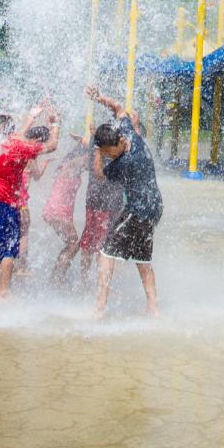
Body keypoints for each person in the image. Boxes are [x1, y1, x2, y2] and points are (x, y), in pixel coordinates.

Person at [87, 86, 163, 318]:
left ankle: (100, 308)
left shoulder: (125, 163)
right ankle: (153, 308)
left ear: (117, 144)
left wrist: (97, 150)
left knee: (106, 254)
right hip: (154, 208)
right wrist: (100, 98)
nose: (111, 156)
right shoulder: (129, 132)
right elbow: (119, 108)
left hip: (137, 212)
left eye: (110, 152)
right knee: (143, 258)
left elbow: (99, 174)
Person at [0, 111, 60, 299]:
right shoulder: (22, 148)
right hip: (7, 203)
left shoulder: (5, 142)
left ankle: (4, 289)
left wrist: (30, 117)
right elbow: (52, 145)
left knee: (3, 247)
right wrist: (56, 124)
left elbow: (21, 134)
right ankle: (4, 293)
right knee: (9, 249)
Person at [77, 127, 124, 283]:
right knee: (96, 244)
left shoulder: (103, 146)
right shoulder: (101, 149)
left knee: (101, 243)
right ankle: (89, 281)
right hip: (99, 204)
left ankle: (95, 282)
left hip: (108, 204)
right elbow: (98, 173)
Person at [42, 141, 88, 283]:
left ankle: (56, 276)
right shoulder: (71, 165)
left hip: (59, 210)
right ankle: (56, 279)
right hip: (57, 210)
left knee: (71, 244)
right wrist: (92, 142)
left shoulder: (70, 166)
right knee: (74, 244)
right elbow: (87, 158)